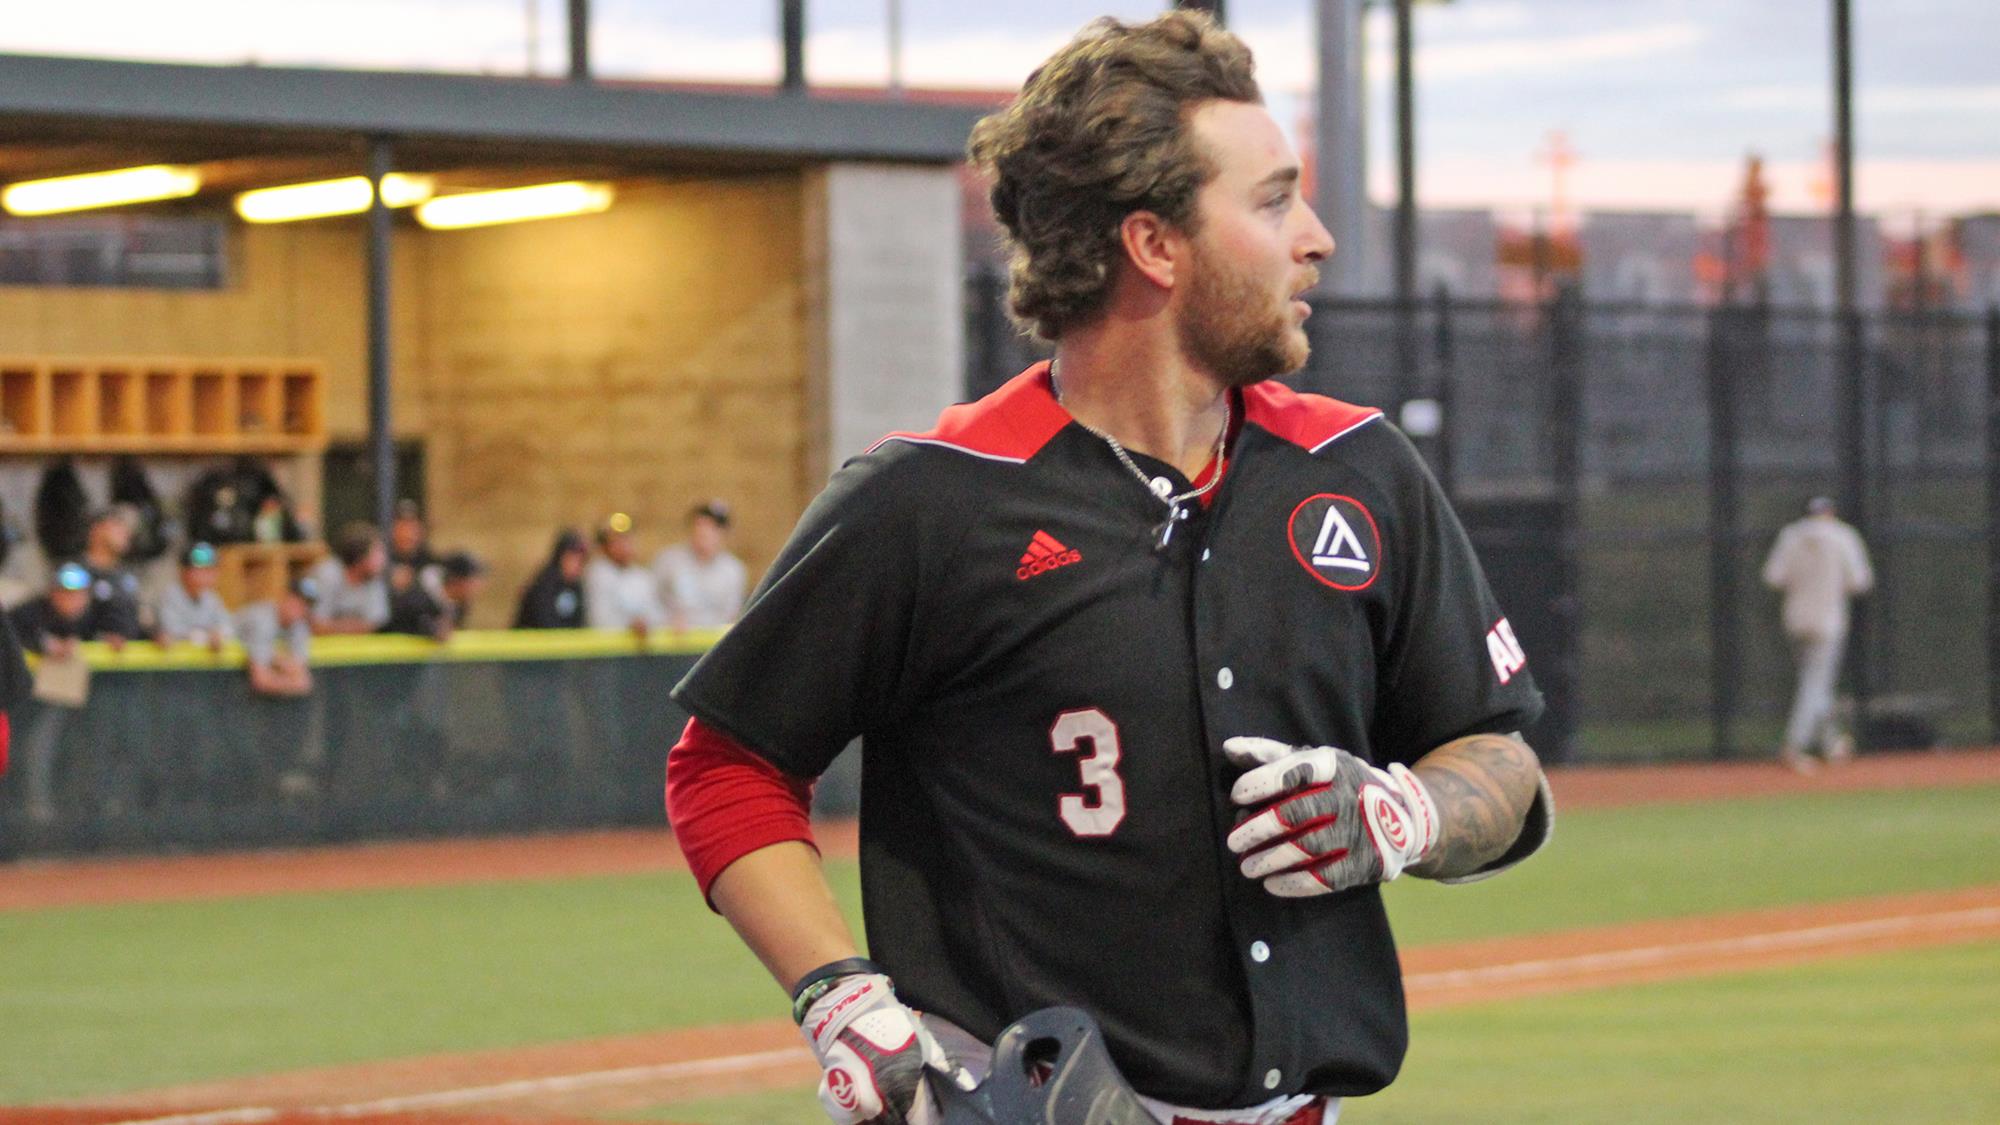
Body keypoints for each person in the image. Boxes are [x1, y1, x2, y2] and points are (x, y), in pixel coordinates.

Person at [665, 14, 1552, 1125]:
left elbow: (1500, 759)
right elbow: (722, 766)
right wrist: (840, 1000)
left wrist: (1406, 812)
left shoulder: (1358, 466)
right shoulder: (932, 498)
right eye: (1273, 201)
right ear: (1155, 245)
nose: (1314, 236)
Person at [1761, 496, 1874, 772]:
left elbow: (1773, 577)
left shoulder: (1791, 535)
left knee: (1814, 684)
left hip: (1796, 619)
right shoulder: (1843, 536)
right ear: (1831, 513)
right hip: (1828, 621)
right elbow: (1860, 581)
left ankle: (1831, 743)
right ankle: (1794, 745)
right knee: (1815, 685)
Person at [654, 500, 748, 629]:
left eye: (713, 527)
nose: (705, 531)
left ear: (723, 533)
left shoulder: (732, 570)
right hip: (674, 642)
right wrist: (665, 620)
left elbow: (732, 612)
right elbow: (652, 599)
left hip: (714, 642)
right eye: (701, 525)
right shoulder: (670, 561)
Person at [584, 513, 666, 636]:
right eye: (617, 540)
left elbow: (657, 615)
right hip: (607, 651)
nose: (625, 545)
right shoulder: (597, 574)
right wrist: (629, 625)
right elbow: (599, 620)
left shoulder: (642, 576)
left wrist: (647, 624)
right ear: (604, 545)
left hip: (643, 652)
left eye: (628, 538)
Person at [307, 521, 390, 635]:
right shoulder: (326, 574)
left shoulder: (373, 578)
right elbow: (314, 624)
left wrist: (335, 626)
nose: (383, 559)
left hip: (352, 648)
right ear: (359, 557)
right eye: (377, 552)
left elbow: (374, 623)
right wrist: (352, 626)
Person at [239, 577, 315, 698]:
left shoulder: (299, 626)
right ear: (285, 597)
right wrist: (293, 682)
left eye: (307, 605)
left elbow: (300, 671)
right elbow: (260, 680)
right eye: (297, 601)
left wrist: (276, 658)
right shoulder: (261, 619)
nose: (301, 609)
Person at [154, 542, 235, 651]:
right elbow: (171, 632)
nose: (207, 575)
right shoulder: (169, 597)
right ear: (184, 571)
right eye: (201, 570)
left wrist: (218, 635)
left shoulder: (211, 598)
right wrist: (206, 637)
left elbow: (227, 627)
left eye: (210, 570)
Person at [80, 506, 144, 643]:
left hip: (131, 659)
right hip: (92, 658)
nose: (126, 533)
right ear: (96, 529)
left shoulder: (128, 575)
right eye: (118, 525)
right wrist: (102, 638)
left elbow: (138, 620)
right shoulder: (76, 573)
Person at [515, 529, 590, 629]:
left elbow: (578, 620)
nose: (577, 565)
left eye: (581, 560)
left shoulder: (576, 586)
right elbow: (542, 621)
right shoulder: (544, 584)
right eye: (573, 558)